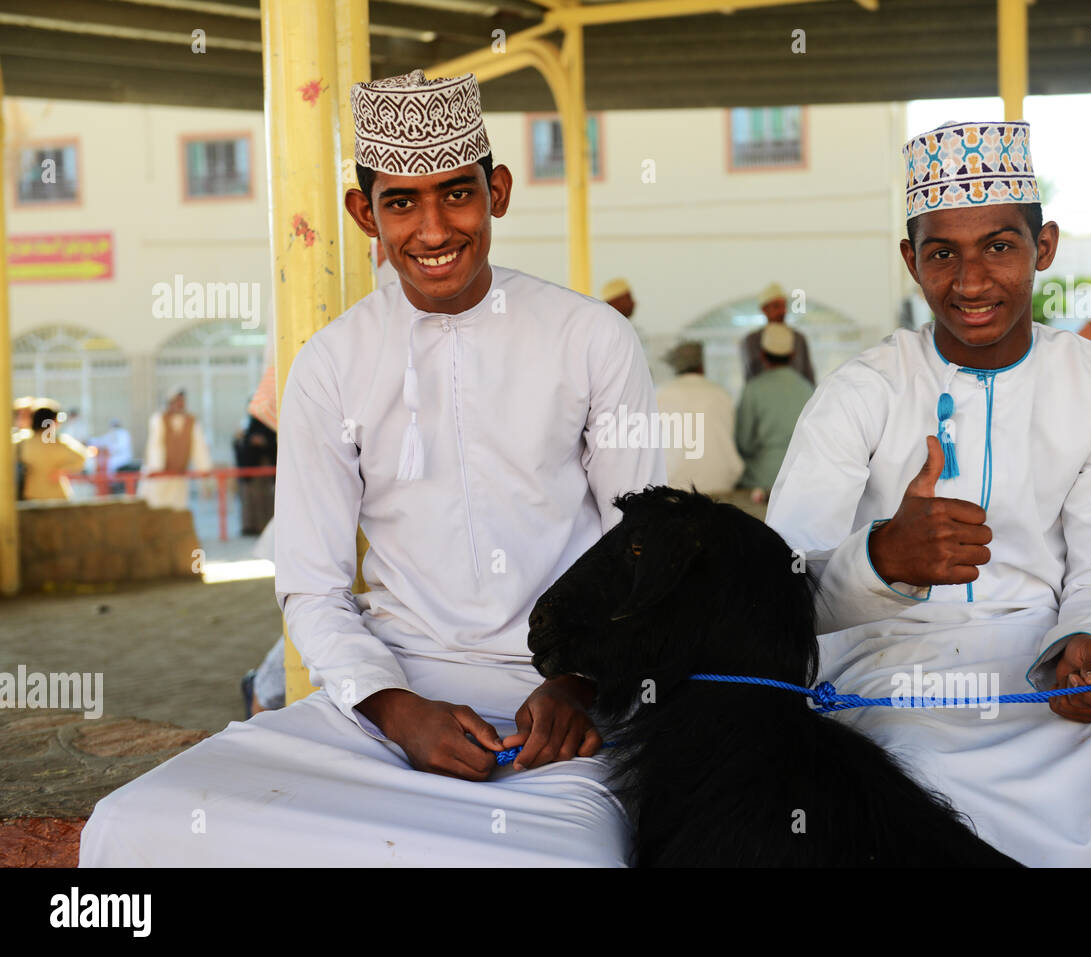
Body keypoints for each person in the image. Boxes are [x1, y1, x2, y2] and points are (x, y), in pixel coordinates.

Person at [80, 70, 662, 867]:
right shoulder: (330, 364)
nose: (432, 229)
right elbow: (311, 584)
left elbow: (644, 546)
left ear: (497, 191)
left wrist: (585, 680)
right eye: (401, 203)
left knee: (563, 859)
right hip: (387, 697)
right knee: (136, 820)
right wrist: (395, 707)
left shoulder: (592, 339)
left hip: (556, 709)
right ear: (365, 213)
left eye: (456, 195)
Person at [765, 120, 1091, 866]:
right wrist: (880, 561)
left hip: (1042, 670)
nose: (970, 281)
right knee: (913, 785)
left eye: (999, 246)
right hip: (889, 681)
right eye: (943, 253)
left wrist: (1090, 642)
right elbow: (774, 595)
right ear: (912, 261)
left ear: (1046, 248)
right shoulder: (861, 391)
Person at [735, 323, 815, 502]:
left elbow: (744, 444)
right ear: (793, 355)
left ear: (762, 355)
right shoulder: (808, 389)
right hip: (799, 479)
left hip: (760, 482)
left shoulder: (753, 390)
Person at [655, 340, 744, 494]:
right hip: (720, 482)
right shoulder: (721, 394)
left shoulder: (660, 394)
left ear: (675, 368)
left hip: (674, 484)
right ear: (702, 366)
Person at [137, 389, 212, 511]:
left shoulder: (191, 421)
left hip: (178, 475)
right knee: (156, 507)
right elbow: (155, 445)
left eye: (181, 401)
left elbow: (199, 447)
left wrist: (203, 469)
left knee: (177, 509)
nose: (179, 404)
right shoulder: (159, 419)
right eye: (176, 401)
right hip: (160, 477)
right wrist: (156, 469)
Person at [16, 405, 97, 501]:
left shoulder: (22, 442)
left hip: (31, 494)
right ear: (53, 422)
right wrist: (62, 470)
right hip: (56, 495)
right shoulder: (60, 442)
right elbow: (82, 458)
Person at [740, 282, 815, 384]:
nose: (782, 311)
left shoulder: (799, 339)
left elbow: (808, 376)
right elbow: (750, 377)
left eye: (784, 306)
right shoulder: (751, 341)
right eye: (776, 306)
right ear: (764, 309)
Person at [232, 410, 276, 535]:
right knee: (248, 498)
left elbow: (272, 442)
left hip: (263, 470)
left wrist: (264, 442)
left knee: (264, 499)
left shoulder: (268, 423)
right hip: (248, 468)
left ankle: (264, 527)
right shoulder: (247, 423)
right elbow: (239, 443)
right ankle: (250, 527)